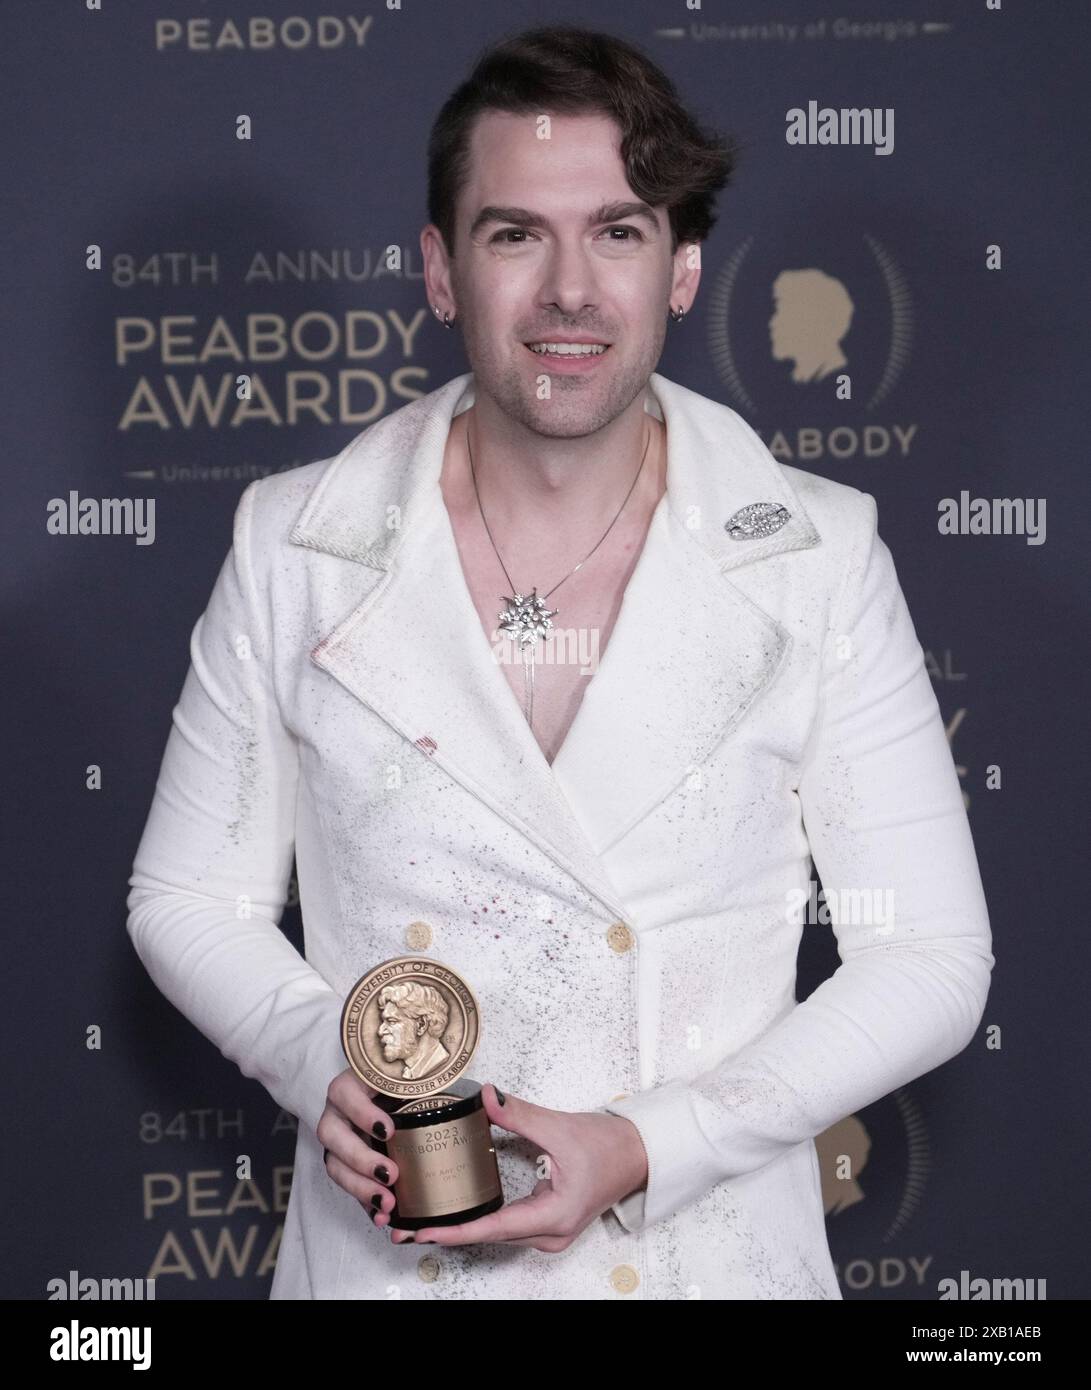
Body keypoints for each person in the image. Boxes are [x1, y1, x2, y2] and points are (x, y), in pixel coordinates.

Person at [126, 25, 993, 1300]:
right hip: (390, 1263)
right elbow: (186, 899)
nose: (568, 291)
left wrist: (649, 1145)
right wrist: (322, 1058)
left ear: (682, 271)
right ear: (440, 271)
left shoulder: (816, 557)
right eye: (515, 235)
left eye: (618, 232)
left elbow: (927, 956)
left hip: (704, 1265)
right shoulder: (292, 543)